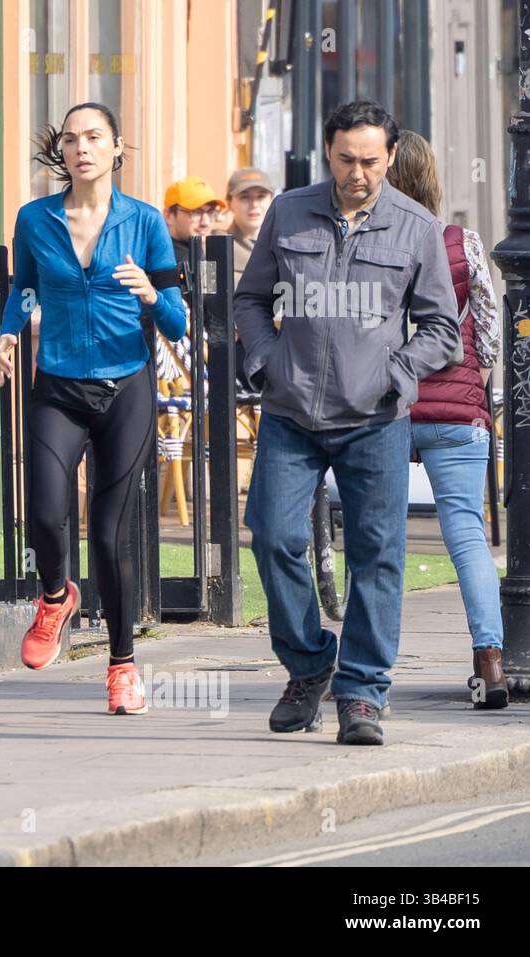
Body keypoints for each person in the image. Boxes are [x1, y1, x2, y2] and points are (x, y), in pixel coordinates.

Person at [235, 101, 462, 745]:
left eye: (370, 160)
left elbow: (442, 328)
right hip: (291, 411)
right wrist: (265, 360)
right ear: (325, 153)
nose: (357, 173)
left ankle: (361, 692)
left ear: (390, 156)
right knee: (274, 539)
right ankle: (308, 666)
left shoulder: (416, 227)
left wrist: (395, 372)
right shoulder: (289, 210)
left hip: (375, 419)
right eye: (345, 159)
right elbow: (252, 299)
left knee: (378, 556)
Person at [0, 102, 187, 715]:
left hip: (125, 388)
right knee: (46, 514)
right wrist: (8, 330)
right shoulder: (35, 219)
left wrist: (154, 295)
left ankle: (123, 666)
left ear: (116, 147)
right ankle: (55, 597)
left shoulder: (145, 222)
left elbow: (179, 323)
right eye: (72, 139)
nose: (82, 148)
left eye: (94, 137)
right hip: (57, 385)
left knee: (108, 536)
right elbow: (23, 285)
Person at [386, 130, 507, 709]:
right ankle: (490, 662)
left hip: (387, 406)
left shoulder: (375, 244)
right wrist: (475, 392)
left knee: (375, 536)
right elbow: (486, 331)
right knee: (466, 537)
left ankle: (366, 668)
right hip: (459, 411)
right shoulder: (463, 242)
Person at [223, 166, 276, 285]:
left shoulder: (284, 245)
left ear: (271, 201)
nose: (254, 204)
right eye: (245, 197)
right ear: (229, 203)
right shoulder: (218, 249)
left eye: (261, 196)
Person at [162, 176, 226, 266]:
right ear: (168, 215)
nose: (205, 222)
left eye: (211, 212)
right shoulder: (161, 260)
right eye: (196, 212)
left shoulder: (203, 251)